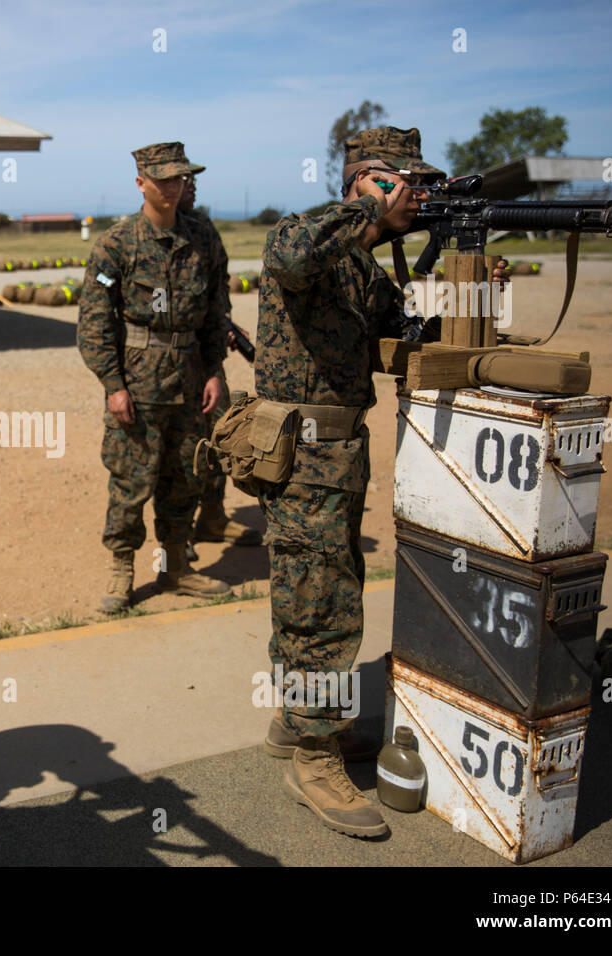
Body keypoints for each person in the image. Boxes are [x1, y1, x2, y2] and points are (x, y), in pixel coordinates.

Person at [256, 127, 507, 838]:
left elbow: (411, 341)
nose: (421, 195)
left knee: (323, 588)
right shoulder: (305, 237)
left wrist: (472, 292)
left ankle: (297, 720)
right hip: (302, 452)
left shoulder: (366, 273)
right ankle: (312, 755)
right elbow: (292, 255)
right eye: (410, 182)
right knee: (320, 602)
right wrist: (371, 212)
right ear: (370, 179)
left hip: (342, 453)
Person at [78, 142, 232, 614]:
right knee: (130, 481)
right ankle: (121, 571)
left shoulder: (203, 238)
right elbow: (94, 321)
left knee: (186, 477)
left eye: (180, 178)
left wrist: (214, 372)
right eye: (164, 179)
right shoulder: (116, 243)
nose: (174, 186)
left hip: (190, 379)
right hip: (139, 383)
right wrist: (113, 385)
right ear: (141, 182)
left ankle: (174, 568)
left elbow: (215, 313)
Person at [176, 177, 264, 559]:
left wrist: (224, 324)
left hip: (209, 359)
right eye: (182, 180)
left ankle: (212, 517)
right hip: (173, 361)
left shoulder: (204, 230)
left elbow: (217, 290)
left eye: (193, 179)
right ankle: (178, 535)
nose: (191, 186)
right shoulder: (154, 236)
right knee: (181, 448)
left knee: (220, 437)